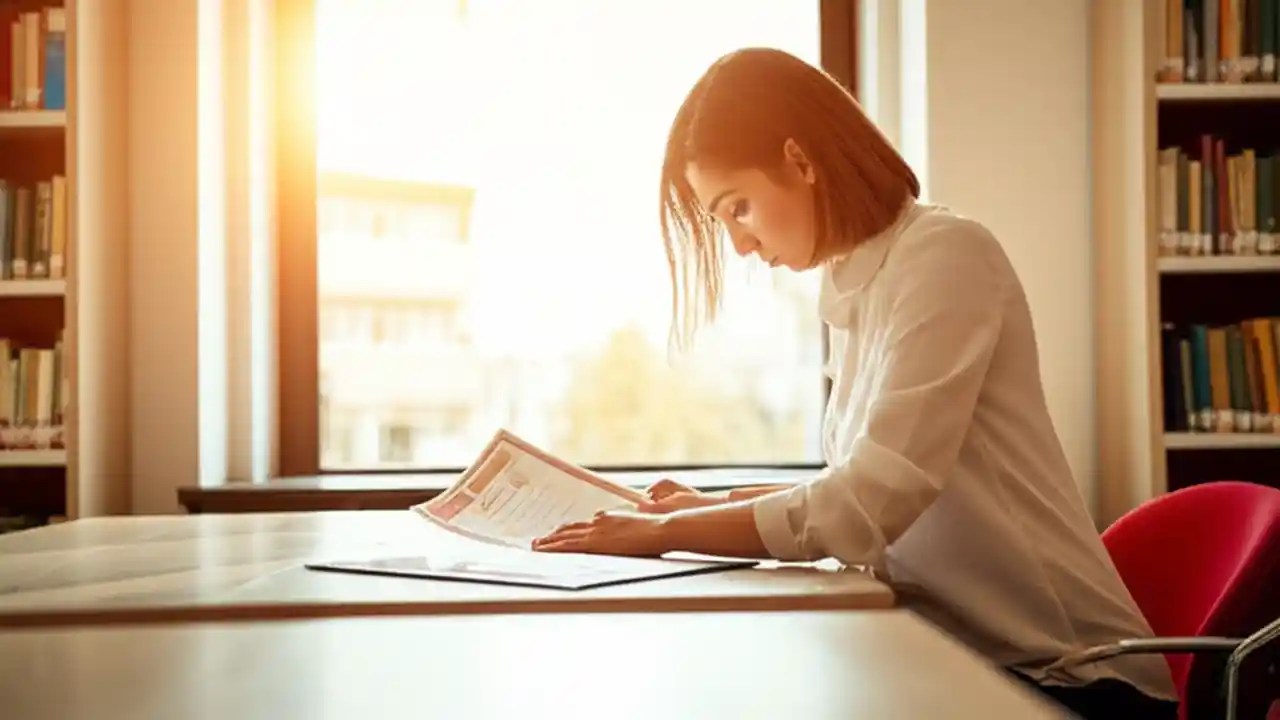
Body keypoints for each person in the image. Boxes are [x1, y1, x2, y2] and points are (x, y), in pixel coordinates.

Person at [532, 48, 1178, 719]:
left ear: (801, 162)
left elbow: (868, 502)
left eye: (739, 208)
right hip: (961, 654)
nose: (741, 245)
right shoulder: (854, 284)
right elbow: (855, 482)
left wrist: (672, 532)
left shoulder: (946, 256)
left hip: (1071, 681)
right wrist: (696, 507)